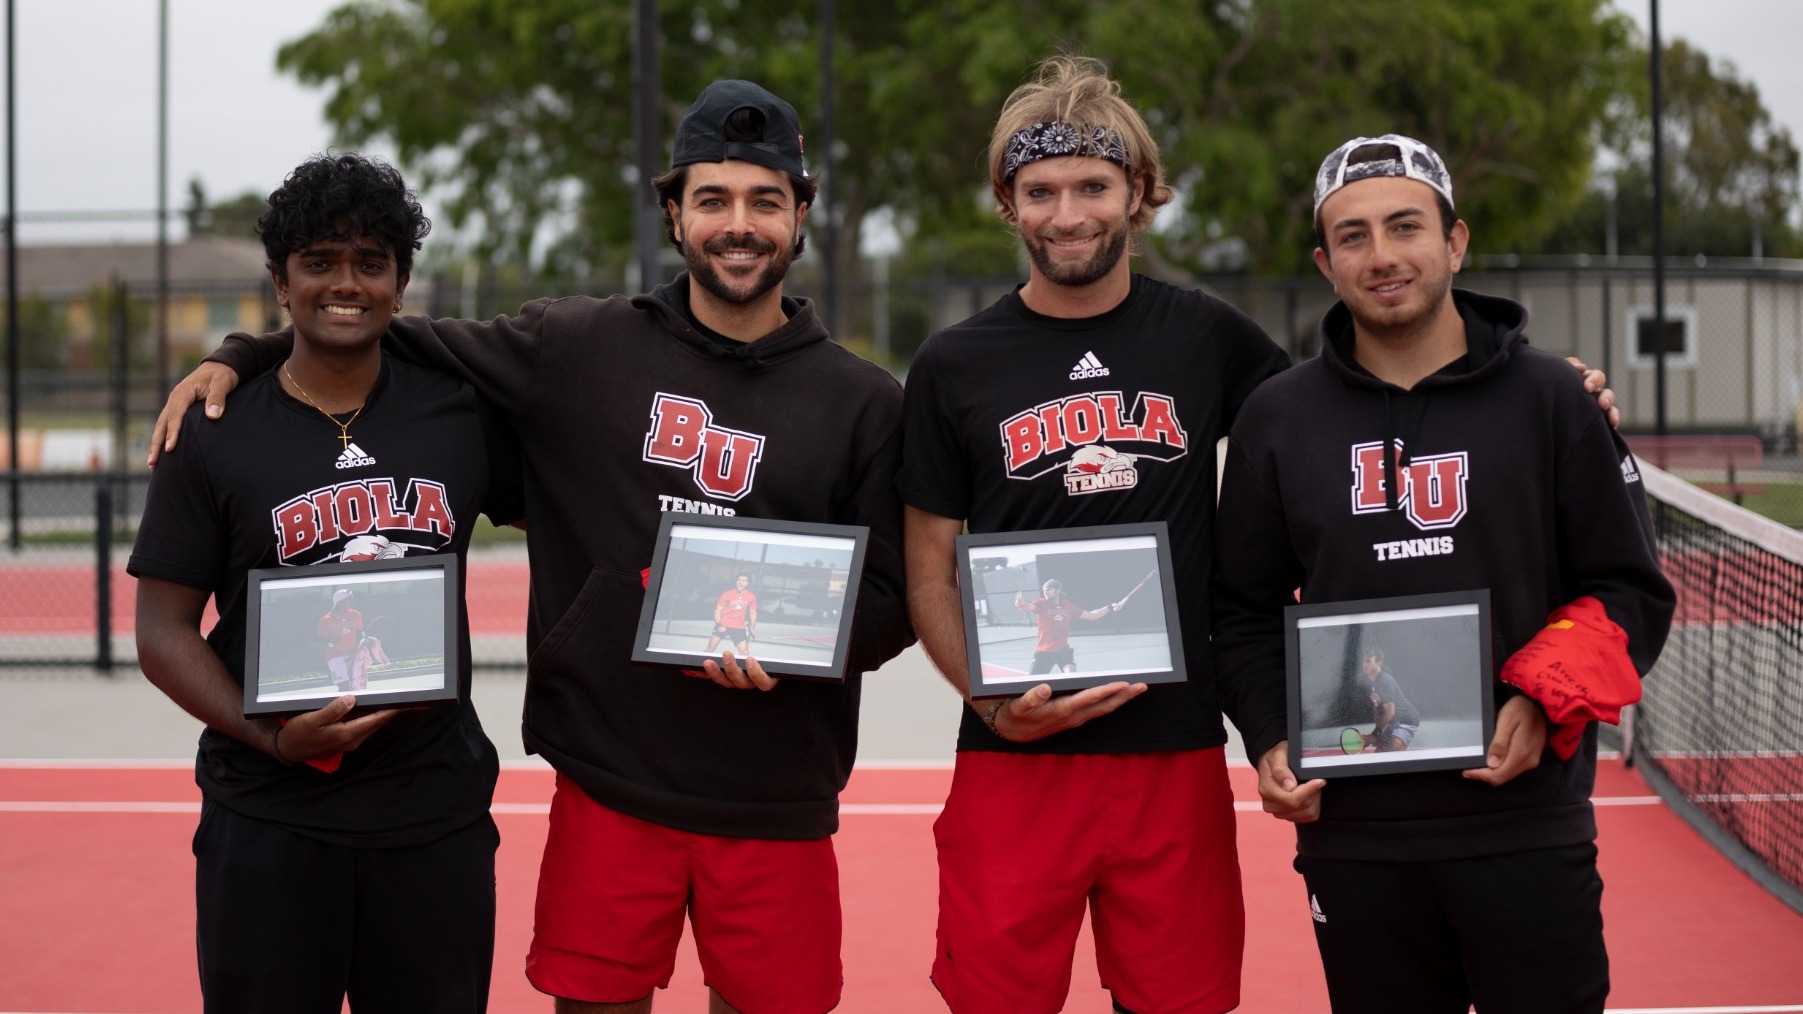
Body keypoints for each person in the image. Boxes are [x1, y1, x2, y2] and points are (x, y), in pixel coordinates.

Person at [151, 79, 913, 1014]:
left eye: (765, 200)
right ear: (673, 213)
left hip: (776, 792)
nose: (738, 225)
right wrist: (242, 354)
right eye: (711, 199)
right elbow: (363, 323)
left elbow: (892, 596)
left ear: (801, 214)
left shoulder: (865, 401)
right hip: (608, 779)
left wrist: (797, 643)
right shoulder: (577, 346)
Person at [1211, 134, 1675, 1013]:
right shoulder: (1274, 419)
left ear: (1454, 242)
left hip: (1525, 822)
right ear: (1324, 260)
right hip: (1353, 833)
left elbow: (1629, 591)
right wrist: (1272, 735)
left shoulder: (1553, 402)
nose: (1380, 256)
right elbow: (1240, 610)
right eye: (1351, 236)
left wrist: (1541, 700)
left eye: (1403, 227)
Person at [900, 55, 1291, 1013]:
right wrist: (993, 706)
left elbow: (1338, 420)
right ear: (1007, 201)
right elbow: (929, 575)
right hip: (1013, 757)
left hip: (1175, 751)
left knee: (1179, 1001)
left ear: (1139, 194)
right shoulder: (953, 365)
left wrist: (1527, 378)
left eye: (1091, 187)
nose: (1065, 214)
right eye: (1039, 191)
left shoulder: (1208, 336)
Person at [130, 153, 519, 1013]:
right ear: (280, 279)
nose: (346, 284)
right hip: (269, 817)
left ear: (401, 280)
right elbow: (160, 632)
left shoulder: (461, 412)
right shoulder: (216, 427)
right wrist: (270, 738)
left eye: (370, 263)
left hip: (433, 817)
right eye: (319, 262)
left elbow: (584, 502)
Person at [1013, 577, 1120, 674]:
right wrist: (1021, 604)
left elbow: (1092, 615)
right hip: (1044, 652)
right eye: (1044, 590)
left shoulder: (1069, 607)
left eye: (1049, 590)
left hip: (1062, 650)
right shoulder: (1041, 603)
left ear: (1058, 590)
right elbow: (1028, 607)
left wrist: (1110, 607)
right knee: (1033, 685)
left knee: (1071, 674)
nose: (1046, 592)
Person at [1358, 647, 1419, 752]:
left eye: (1368, 661)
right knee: (1379, 753)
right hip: (1392, 722)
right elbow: (1376, 706)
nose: (1364, 664)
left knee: (1392, 750)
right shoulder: (1367, 681)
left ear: (1379, 664)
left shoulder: (1385, 681)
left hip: (1406, 721)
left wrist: (1375, 734)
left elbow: (1390, 712)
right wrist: (1377, 734)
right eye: (1363, 661)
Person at [319, 588, 366, 691]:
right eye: (349, 599)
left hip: (353, 654)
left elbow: (359, 633)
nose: (352, 601)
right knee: (344, 686)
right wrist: (331, 643)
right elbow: (323, 640)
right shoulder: (326, 620)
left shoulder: (356, 614)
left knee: (356, 685)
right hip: (335, 657)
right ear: (341, 602)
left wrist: (363, 642)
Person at [704, 573, 758, 654]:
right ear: (736, 582)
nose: (740, 582)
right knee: (710, 648)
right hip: (723, 624)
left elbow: (753, 613)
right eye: (739, 580)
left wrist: (752, 628)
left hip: (739, 627)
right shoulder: (726, 594)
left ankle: (745, 667)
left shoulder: (751, 596)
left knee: (744, 651)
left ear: (748, 583)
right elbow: (717, 611)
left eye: (744, 581)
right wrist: (720, 625)